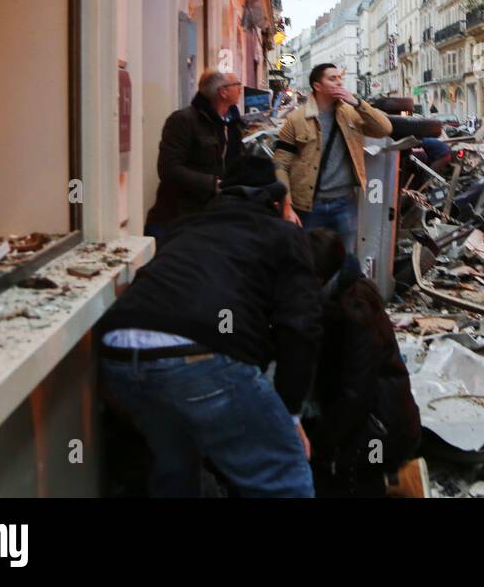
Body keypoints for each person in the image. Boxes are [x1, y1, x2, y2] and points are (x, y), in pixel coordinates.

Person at [98, 155, 323, 498]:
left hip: (118, 353)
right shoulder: (283, 235)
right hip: (199, 357)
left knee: (177, 468)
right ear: (279, 204)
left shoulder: (186, 228)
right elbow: (301, 328)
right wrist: (291, 414)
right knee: (283, 476)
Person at [303, 231, 422, 498]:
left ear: (319, 277)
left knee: (340, 482)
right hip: (371, 422)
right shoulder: (341, 296)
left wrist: (320, 444)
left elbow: (355, 395)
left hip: (380, 429)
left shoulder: (354, 313)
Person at [273, 63, 392, 254]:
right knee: (307, 258)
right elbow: (280, 164)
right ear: (317, 86)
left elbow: (384, 129)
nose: (339, 82)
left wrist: (357, 103)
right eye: (332, 78)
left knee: (345, 257)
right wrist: (287, 206)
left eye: (339, 78)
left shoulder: (350, 113)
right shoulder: (297, 119)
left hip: (344, 202)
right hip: (309, 204)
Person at [144, 68, 244, 241]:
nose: (241, 89)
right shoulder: (183, 120)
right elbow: (168, 168)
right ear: (223, 92)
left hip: (215, 218)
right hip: (179, 220)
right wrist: (212, 184)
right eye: (237, 84)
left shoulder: (232, 125)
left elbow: (237, 163)